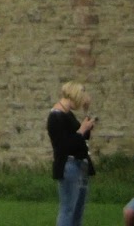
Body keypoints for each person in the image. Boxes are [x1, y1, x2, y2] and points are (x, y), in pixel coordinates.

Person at [47, 81, 96, 226]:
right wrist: (82, 130)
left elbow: (81, 138)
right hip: (69, 166)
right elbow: (63, 146)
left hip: (81, 164)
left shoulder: (69, 115)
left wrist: (86, 120)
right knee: (68, 210)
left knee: (78, 211)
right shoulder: (56, 116)